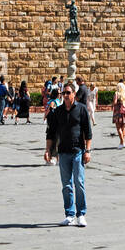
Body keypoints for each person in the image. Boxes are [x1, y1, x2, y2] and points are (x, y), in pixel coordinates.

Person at [44, 79, 92, 226]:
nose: (64, 95)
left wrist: (88, 150)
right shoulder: (57, 112)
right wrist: (48, 150)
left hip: (78, 151)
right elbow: (51, 133)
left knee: (79, 182)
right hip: (63, 153)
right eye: (63, 93)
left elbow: (88, 132)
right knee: (66, 185)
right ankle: (70, 214)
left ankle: (81, 214)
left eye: (67, 93)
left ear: (73, 94)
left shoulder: (82, 109)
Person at [112, 82, 125, 146]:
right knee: (123, 127)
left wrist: (112, 103)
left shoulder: (117, 93)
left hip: (118, 111)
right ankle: (122, 142)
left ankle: (122, 142)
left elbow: (115, 102)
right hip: (124, 111)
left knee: (118, 127)